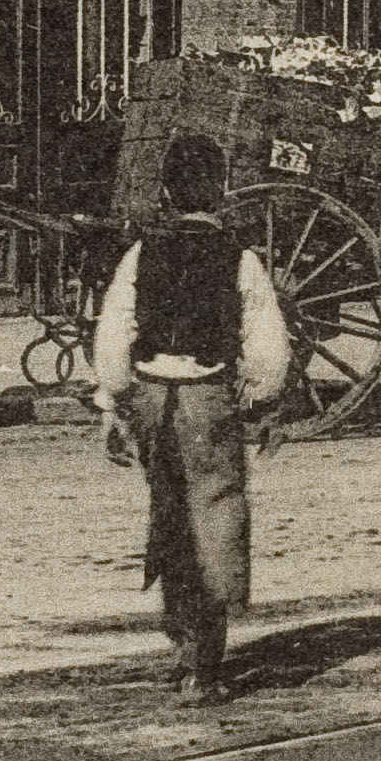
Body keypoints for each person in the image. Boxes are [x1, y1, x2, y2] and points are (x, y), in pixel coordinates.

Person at [93, 138, 294, 706]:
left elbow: (113, 337)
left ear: (166, 193)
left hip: (153, 399)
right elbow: (269, 347)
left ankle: (181, 641)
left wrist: (114, 404)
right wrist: (262, 400)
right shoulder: (241, 258)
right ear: (222, 191)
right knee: (217, 514)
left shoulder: (140, 254)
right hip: (209, 398)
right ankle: (205, 663)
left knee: (170, 514)